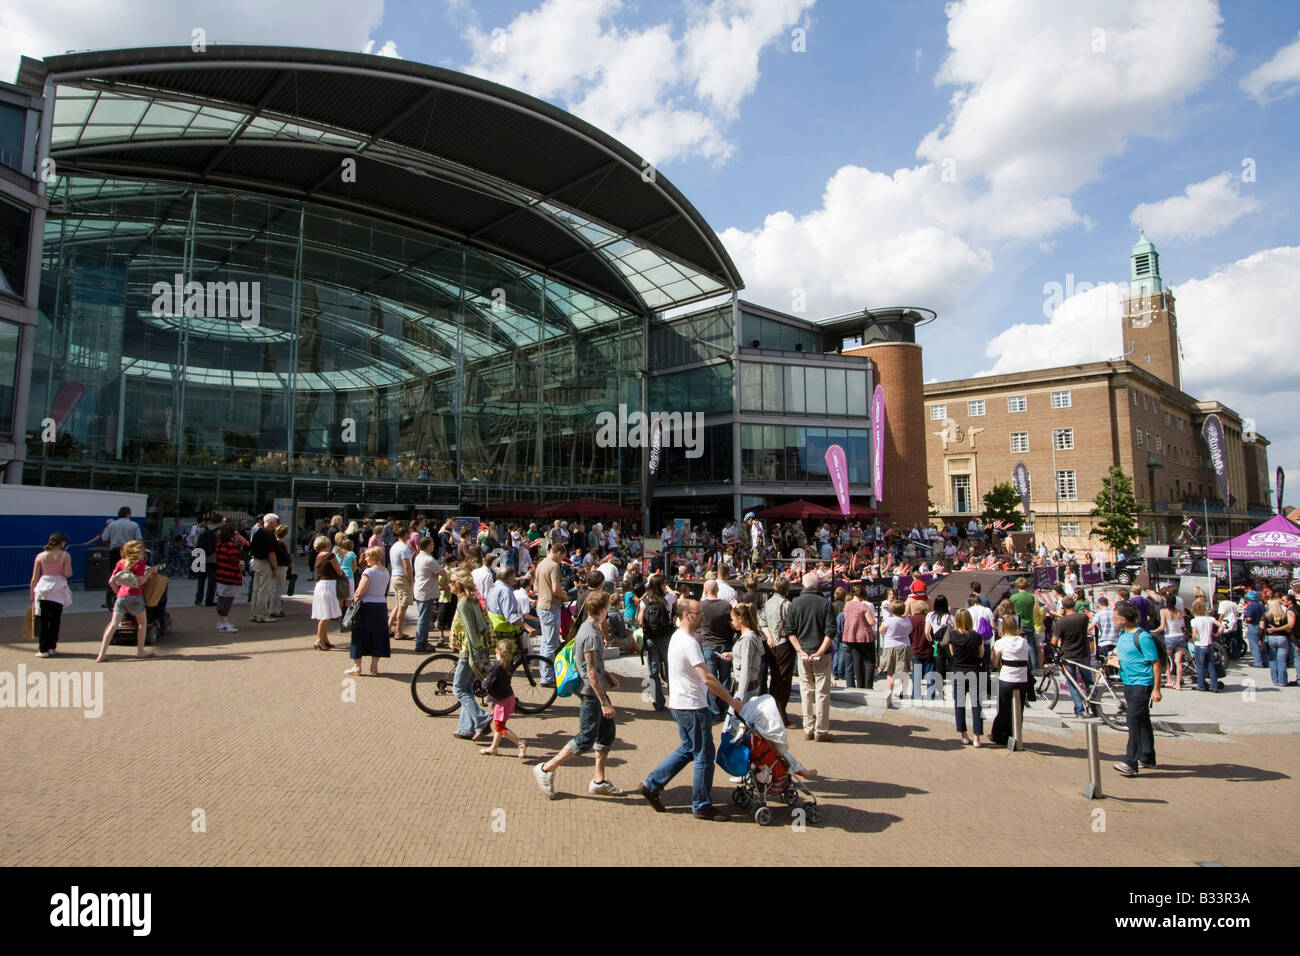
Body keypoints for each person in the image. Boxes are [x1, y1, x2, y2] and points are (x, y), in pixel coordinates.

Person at [638, 598, 744, 820]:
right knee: (704, 754)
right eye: (698, 614)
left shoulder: (678, 638)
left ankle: (652, 783)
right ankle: (701, 804)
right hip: (692, 706)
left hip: (680, 703)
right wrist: (731, 700)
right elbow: (707, 677)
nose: (702, 617)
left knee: (689, 748)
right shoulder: (689, 642)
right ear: (687, 615)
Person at [533, 590, 625, 798]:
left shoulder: (587, 627)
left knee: (606, 734)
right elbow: (590, 673)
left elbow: (591, 667)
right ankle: (547, 768)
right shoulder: (591, 635)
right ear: (602, 610)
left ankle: (599, 780)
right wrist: (604, 702)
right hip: (591, 695)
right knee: (585, 739)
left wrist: (607, 675)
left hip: (595, 691)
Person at [1110, 600, 1163, 776]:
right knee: (1142, 720)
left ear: (1124, 619)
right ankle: (1147, 757)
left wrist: (1156, 688)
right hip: (1128, 682)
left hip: (1143, 683)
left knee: (1132, 721)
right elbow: (1120, 653)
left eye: (1115, 616)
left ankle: (1130, 762)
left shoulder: (1143, 637)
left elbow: (1156, 663)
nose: (1113, 619)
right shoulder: (1123, 635)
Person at [785, 572, 836, 741]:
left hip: (804, 652)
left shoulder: (795, 604)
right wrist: (821, 650)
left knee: (806, 690)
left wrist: (800, 650)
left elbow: (789, 631)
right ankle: (821, 730)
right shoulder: (825, 603)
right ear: (818, 585)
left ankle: (808, 728)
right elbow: (830, 631)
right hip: (821, 653)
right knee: (822, 692)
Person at [95, 539, 158, 662]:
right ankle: (140, 651)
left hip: (121, 596)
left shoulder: (121, 563)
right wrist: (150, 572)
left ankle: (102, 654)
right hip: (135, 596)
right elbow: (140, 582)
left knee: (113, 625)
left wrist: (118, 593)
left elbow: (111, 581)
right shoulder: (139, 563)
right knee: (142, 623)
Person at [448, 568, 493, 740]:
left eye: (452, 582)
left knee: (458, 689)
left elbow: (471, 633)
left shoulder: (463, 603)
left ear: (458, 584)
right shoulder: (473, 600)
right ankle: (465, 728)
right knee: (466, 688)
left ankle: (482, 718)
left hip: (469, 651)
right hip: (477, 648)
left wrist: (475, 658)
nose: (449, 585)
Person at [346, 546, 391, 677]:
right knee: (378, 635)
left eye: (366, 556)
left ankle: (357, 666)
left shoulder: (369, 572)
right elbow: (386, 591)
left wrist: (354, 598)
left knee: (359, 635)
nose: (365, 559)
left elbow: (360, 591)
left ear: (372, 557)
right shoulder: (386, 571)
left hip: (366, 606)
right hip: (381, 606)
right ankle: (374, 667)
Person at [943, 608, 985, 746]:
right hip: (974, 671)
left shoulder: (953, 636)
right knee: (976, 705)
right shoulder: (977, 637)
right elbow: (981, 655)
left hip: (958, 671)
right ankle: (977, 737)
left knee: (959, 704)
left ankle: (964, 735)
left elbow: (953, 653)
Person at [87, 506, 142, 610]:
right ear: (128, 514)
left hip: (115, 551)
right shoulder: (134, 525)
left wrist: (112, 543)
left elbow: (104, 538)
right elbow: (139, 540)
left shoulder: (112, 525)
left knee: (114, 575)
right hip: (128, 553)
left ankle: (110, 600)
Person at [480, 640, 527, 758]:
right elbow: (493, 671)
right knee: (499, 725)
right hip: (508, 698)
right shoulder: (508, 663)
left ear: (496, 651)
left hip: (501, 701)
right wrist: (484, 667)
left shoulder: (496, 666)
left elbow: (487, 683)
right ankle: (493, 748)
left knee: (500, 727)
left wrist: (483, 682)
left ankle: (520, 743)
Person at [989, 614, 1030, 747]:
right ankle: (1015, 733)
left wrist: (999, 664)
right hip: (1022, 678)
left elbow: (995, 663)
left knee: (1003, 709)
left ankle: (998, 735)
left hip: (1007, 678)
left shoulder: (1000, 642)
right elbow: (1027, 660)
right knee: (1019, 709)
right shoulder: (1023, 642)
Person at [30, 532, 73, 658]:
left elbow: (35, 577)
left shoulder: (40, 556)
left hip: (43, 588)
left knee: (43, 619)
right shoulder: (65, 555)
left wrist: (32, 592)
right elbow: (68, 573)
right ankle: (51, 647)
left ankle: (42, 648)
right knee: (55, 619)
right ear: (60, 542)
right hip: (58, 587)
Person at [699, 579, 735, 722]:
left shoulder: (701, 606)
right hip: (724, 643)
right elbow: (732, 623)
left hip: (708, 644)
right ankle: (725, 707)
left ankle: (714, 710)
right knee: (725, 677)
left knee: (711, 678)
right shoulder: (726, 606)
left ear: (705, 591)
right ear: (717, 590)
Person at [638, 573, 675, 712]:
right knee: (670, 667)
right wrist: (669, 588)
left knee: (653, 671)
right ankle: (674, 698)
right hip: (666, 637)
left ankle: (658, 701)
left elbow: (640, 621)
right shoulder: (668, 598)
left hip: (651, 638)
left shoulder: (645, 601)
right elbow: (674, 596)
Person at [1052, 595, 1093, 717]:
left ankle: (1079, 710)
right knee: (1089, 681)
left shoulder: (1062, 622)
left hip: (1068, 654)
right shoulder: (1083, 618)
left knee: (1072, 682)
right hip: (1083, 653)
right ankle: (1096, 708)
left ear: (1063, 607)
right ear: (1074, 605)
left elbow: (1054, 641)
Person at [534, 543, 566, 685]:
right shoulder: (554, 566)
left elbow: (535, 587)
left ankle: (544, 673)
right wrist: (564, 595)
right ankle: (547, 677)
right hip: (551, 606)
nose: (562, 560)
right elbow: (555, 589)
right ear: (558, 552)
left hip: (541, 604)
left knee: (545, 642)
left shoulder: (541, 564)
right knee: (550, 644)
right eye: (562, 557)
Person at [720, 602, 763, 705]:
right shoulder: (753, 635)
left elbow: (746, 669)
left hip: (745, 691)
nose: (732, 622)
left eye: (733, 619)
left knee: (736, 719)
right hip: (747, 688)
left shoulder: (747, 639)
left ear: (740, 618)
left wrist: (740, 697)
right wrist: (732, 655)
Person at [212, 522, 248, 634]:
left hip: (221, 574)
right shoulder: (230, 545)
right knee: (227, 599)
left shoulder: (219, 544)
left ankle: (222, 621)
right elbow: (234, 559)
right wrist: (240, 559)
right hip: (230, 575)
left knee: (222, 597)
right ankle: (224, 622)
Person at [840, 583, 877, 689]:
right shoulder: (863, 606)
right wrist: (875, 622)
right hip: (864, 636)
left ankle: (860, 685)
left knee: (857, 661)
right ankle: (868, 685)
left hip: (851, 636)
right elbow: (871, 622)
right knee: (870, 661)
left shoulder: (847, 605)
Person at [309, 535, 342, 651]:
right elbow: (338, 570)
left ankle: (324, 638)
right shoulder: (330, 555)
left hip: (320, 585)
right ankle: (319, 640)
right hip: (328, 585)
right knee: (326, 614)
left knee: (324, 613)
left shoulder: (318, 556)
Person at [878, 600, 913, 705]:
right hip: (904, 646)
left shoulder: (889, 620)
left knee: (890, 672)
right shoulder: (907, 621)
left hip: (890, 646)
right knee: (904, 672)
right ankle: (904, 692)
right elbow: (910, 630)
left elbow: (881, 629)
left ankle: (890, 692)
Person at [1153, 592, 1190, 690]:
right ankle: (1178, 683)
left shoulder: (1164, 611)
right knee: (1178, 661)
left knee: (1166, 660)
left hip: (1170, 637)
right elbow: (1182, 626)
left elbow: (1162, 627)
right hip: (1180, 636)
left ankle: (1169, 680)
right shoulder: (1179, 612)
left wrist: (1152, 631)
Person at [248, 513, 279, 624]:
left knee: (256, 590)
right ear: (271, 522)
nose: (276, 525)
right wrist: (275, 568)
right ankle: (262, 614)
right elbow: (271, 553)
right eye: (275, 522)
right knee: (264, 590)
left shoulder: (257, 532)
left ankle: (254, 613)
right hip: (265, 563)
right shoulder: (269, 535)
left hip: (256, 561)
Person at [413, 537, 441, 653]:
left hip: (421, 589)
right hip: (426, 591)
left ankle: (422, 641)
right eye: (432, 544)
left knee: (423, 617)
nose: (433, 546)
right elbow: (442, 572)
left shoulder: (419, 556)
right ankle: (421, 643)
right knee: (424, 619)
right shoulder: (428, 560)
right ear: (428, 546)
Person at [389, 523, 415, 640]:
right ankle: (399, 631)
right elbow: (407, 565)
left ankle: (388, 627)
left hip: (395, 576)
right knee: (403, 606)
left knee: (399, 604)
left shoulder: (394, 546)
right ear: (405, 534)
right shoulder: (404, 548)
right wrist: (411, 579)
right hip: (402, 577)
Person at [1189, 599, 1221, 693]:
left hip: (1200, 645)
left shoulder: (1194, 621)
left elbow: (1195, 635)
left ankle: (1201, 685)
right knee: (1211, 666)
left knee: (1200, 667)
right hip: (1209, 645)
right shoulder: (1210, 619)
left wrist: (1191, 640)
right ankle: (1214, 686)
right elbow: (1222, 625)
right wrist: (1216, 634)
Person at [1263, 596, 1292, 688]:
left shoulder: (1266, 615)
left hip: (1270, 638)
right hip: (1282, 638)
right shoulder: (1284, 614)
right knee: (1282, 661)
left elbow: (1261, 628)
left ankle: (1275, 681)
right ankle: (1283, 681)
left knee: (1272, 661)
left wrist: (1260, 639)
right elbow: (1289, 628)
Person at [1089, 595, 1119, 663]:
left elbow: (1091, 627)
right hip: (1115, 642)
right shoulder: (1114, 613)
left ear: (1099, 604)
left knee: (1104, 664)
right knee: (1114, 664)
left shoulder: (1099, 614)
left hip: (1103, 643)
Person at [1242, 589, 1266, 669]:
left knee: (1254, 645)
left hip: (1253, 625)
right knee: (1261, 644)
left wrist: (1245, 620)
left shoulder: (1251, 606)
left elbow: (1249, 618)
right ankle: (1264, 661)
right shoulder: (1261, 605)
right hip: (1262, 625)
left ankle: (1258, 662)